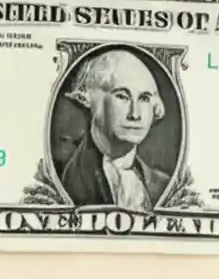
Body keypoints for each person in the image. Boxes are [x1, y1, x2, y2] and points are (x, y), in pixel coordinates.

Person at [55, 48, 171, 210]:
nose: (135, 114)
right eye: (122, 96)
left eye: (144, 98)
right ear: (88, 99)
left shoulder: (163, 186)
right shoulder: (61, 182)